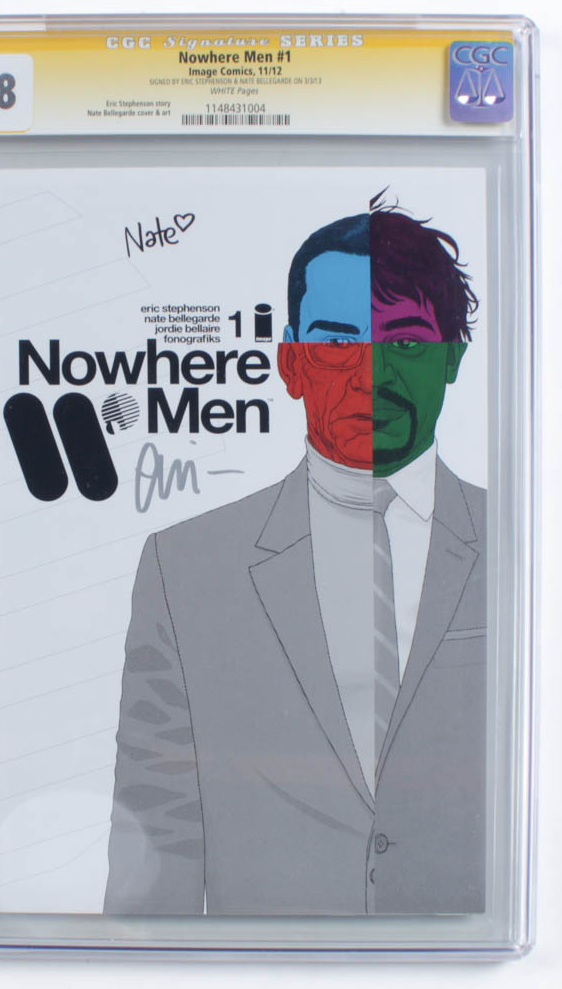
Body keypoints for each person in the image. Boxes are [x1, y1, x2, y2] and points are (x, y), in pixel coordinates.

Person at [104, 199, 486, 916]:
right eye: (338, 343)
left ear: (452, 358)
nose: (370, 376)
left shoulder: (527, 550)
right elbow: (155, 830)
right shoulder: (184, 567)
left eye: (405, 343)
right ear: (290, 361)